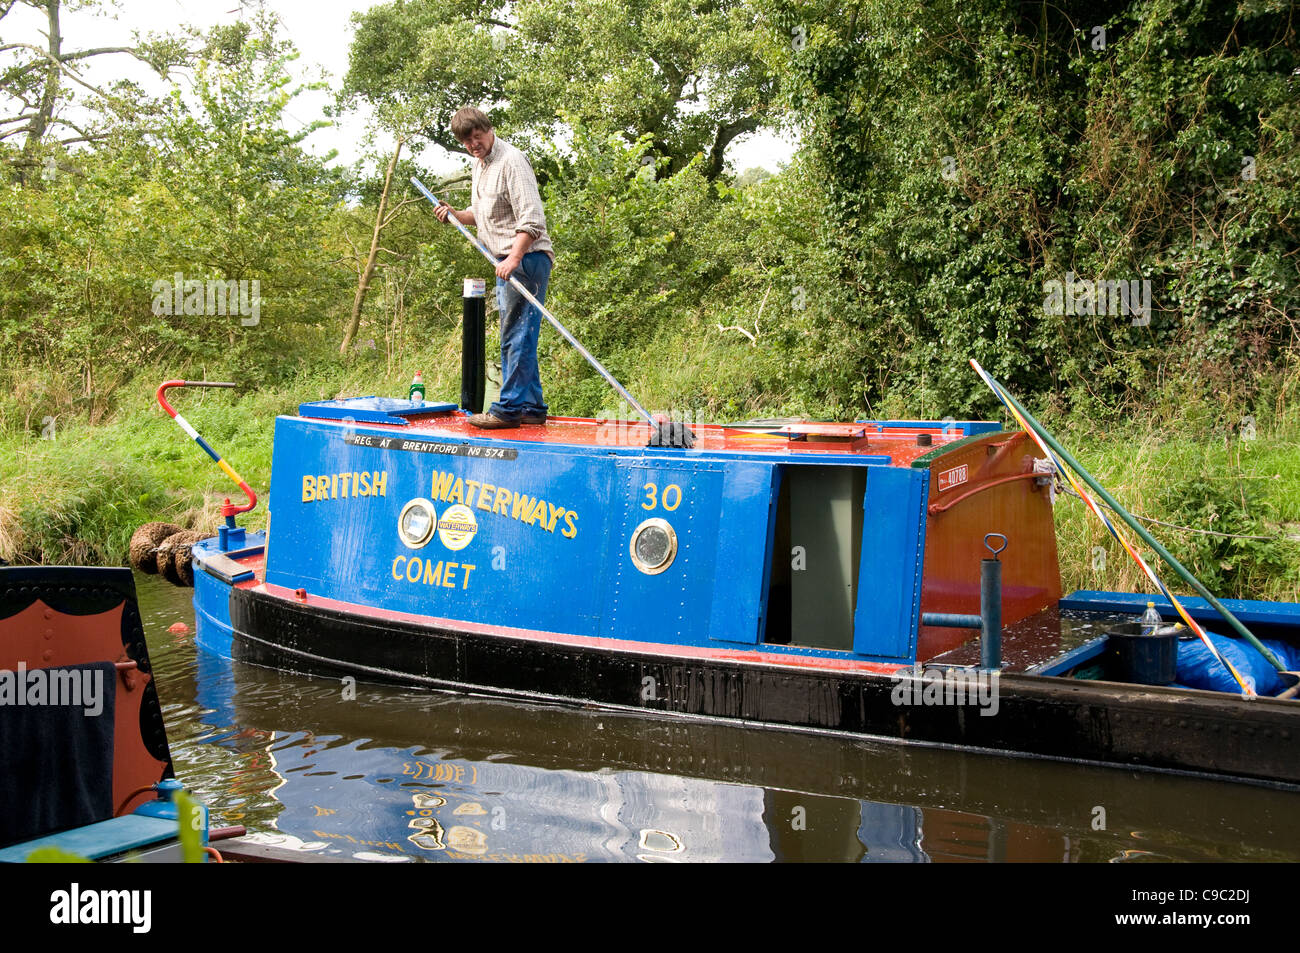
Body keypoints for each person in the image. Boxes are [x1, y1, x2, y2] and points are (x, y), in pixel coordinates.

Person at [434, 107, 554, 429]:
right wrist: (457, 215)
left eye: (478, 137)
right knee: (521, 334)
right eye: (467, 141)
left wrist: (513, 259)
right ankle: (531, 407)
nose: (474, 144)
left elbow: (532, 219)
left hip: (526, 259)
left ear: (489, 130)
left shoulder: (511, 161)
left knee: (514, 336)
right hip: (508, 260)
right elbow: (483, 211)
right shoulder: (480, 165)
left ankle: (508, 410)